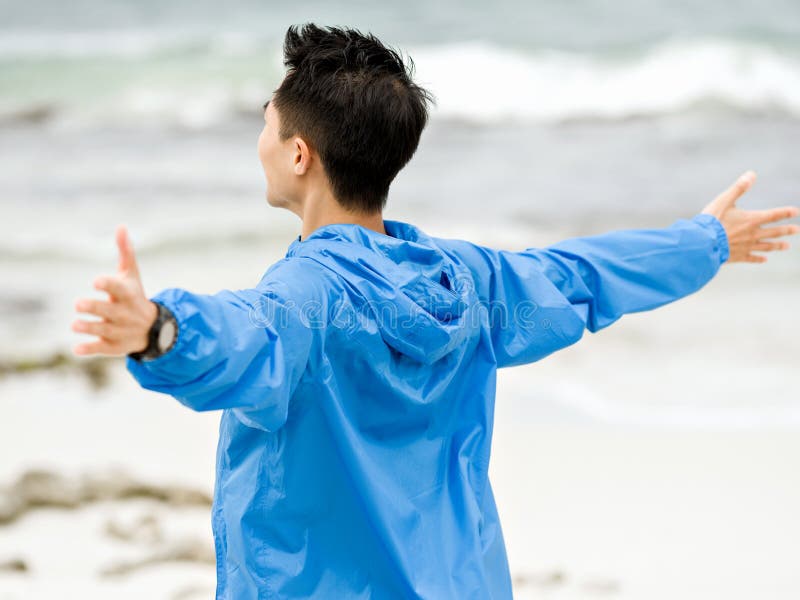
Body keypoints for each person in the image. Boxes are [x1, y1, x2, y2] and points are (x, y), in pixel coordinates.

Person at [71, 23, 799, 600]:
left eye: (265, 124)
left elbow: (249, 337)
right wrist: (702, 242)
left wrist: (162, 331)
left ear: (299, 155)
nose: (257, 140)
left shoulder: (308, 298)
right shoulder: (471, 283)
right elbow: (581, 277)